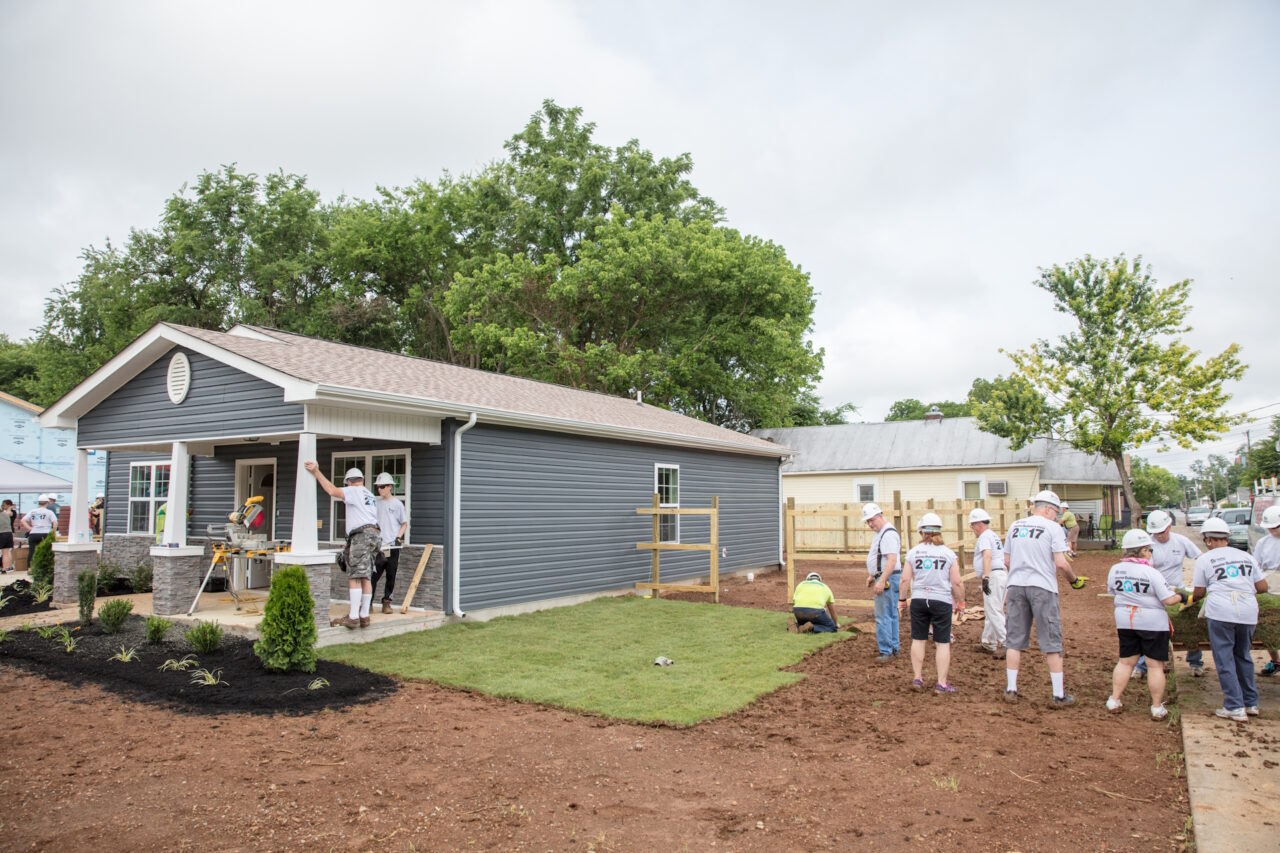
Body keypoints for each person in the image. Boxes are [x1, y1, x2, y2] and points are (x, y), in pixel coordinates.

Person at [1003, 489, 1089, 707]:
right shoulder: (1052, 528)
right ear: (1050, 509)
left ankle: (1011, 689)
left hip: (1015, 585)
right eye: (1056, 512)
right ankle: (1058, 694)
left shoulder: (1016, 525)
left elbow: (1006, 560)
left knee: (1014, 639)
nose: (1057, 516)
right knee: (1051, 639)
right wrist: (1073, 580)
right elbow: (1061, 563)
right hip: (1042, 587)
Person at [1189, 517, 1267, 722]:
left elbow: (1198, 592)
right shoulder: (1246, 557)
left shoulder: (1205, 560)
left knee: (1224, 658)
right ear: (1227, 537)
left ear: (1207, 539)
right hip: (1248, 611)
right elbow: (1262, 587)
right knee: (1243, 655)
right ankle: (1251, 703)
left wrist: (1190, 599)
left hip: (1221, 612)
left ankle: (1234, 706)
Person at [1105, 529, 1186, 720]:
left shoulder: (1115, 569)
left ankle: (1114, 700)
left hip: (1125, 620)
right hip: (1152, 623)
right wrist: (1183, 596)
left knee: (1125, 661)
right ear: (1142, 551)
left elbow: (1112, 591)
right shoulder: (1151, 572)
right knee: (1154, 665)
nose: (1151, 553)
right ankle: (1156, 707)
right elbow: (1168, 600)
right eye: (1149, 550)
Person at [305, 462, 381, 629]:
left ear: (349, 482)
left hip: (361, 536)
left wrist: (317, 471)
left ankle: (353, 617)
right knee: (366, 575)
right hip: (374, 535)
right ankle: (364, 615)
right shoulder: (369, 494)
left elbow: (332, 491)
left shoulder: (354, 490)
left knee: (355, 575)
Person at [899, 512, 965, 693]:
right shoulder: (948, 554)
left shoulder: (913, 553)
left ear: (922, 532)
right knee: (942, 642)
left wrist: (902, 600)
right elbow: (957, 582)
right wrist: (961, 602)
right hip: (941, 601)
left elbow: (905, 580)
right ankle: (941, 683)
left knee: (918, 639)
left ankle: (917, 678)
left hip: (919, 599)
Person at [1142, 509, 1203, 678]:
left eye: (1161, 532)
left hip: (1178, 588)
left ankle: (1195, 662)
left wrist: (1198, 582)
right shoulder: (1148, 546)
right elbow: (1145, 570)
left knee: (1191, 622)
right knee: (1148, 628)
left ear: (1169, 526)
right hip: (1155, 592)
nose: (1158, 535)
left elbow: (1201, 558)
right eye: (1155, 533)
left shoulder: (1181, 541)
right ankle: (1142, 665)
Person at [863, 503, 902, 661]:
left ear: (880, 516)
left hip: (888, 578)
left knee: (883, 615)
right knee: (891, 614)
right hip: (885, 576)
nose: (870, 524)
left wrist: (882, 579)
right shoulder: (882, 533)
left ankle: (886, 650)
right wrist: (873, 575)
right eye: (868, 522)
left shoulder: (888, 534)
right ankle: (893, 648)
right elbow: (882, 558)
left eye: (872, 520)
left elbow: (892, 560)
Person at [969, 507, 1007, 655]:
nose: (973, 529)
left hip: (993, 575)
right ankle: (988, 642)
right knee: (992, 608)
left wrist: (985, 577)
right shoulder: (993, 535)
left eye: (973, 526)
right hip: (1000, 574)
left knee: (993, 609)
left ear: (978, 524)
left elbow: (987, 556)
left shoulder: (984, 537)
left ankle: (1006, 641)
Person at [371, 472, 408, 614]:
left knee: (391, 576)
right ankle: (369, 603)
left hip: (393, 546)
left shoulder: (397, 504)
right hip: (379, 546)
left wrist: (398, 537)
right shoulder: (376, 504)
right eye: (378, 487)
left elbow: (404, 524)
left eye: (382, 487)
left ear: (390, 487)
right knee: (373, 575)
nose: (379, 489)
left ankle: (386, 602)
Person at [1251, 506, 1280, 677]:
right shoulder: (1264, 543)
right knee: (1267, 623)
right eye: (1270, 528)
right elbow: (1256, 565)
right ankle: (1275, 660)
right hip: (1269, 581)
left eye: (1275, 527)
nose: (1272, 531)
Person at [0, 499, 15, 573]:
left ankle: (4, 568)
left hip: (1, 533)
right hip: (9, 533)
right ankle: (8, 568)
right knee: (6, 552)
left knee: (4, 553)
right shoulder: (7, 514)